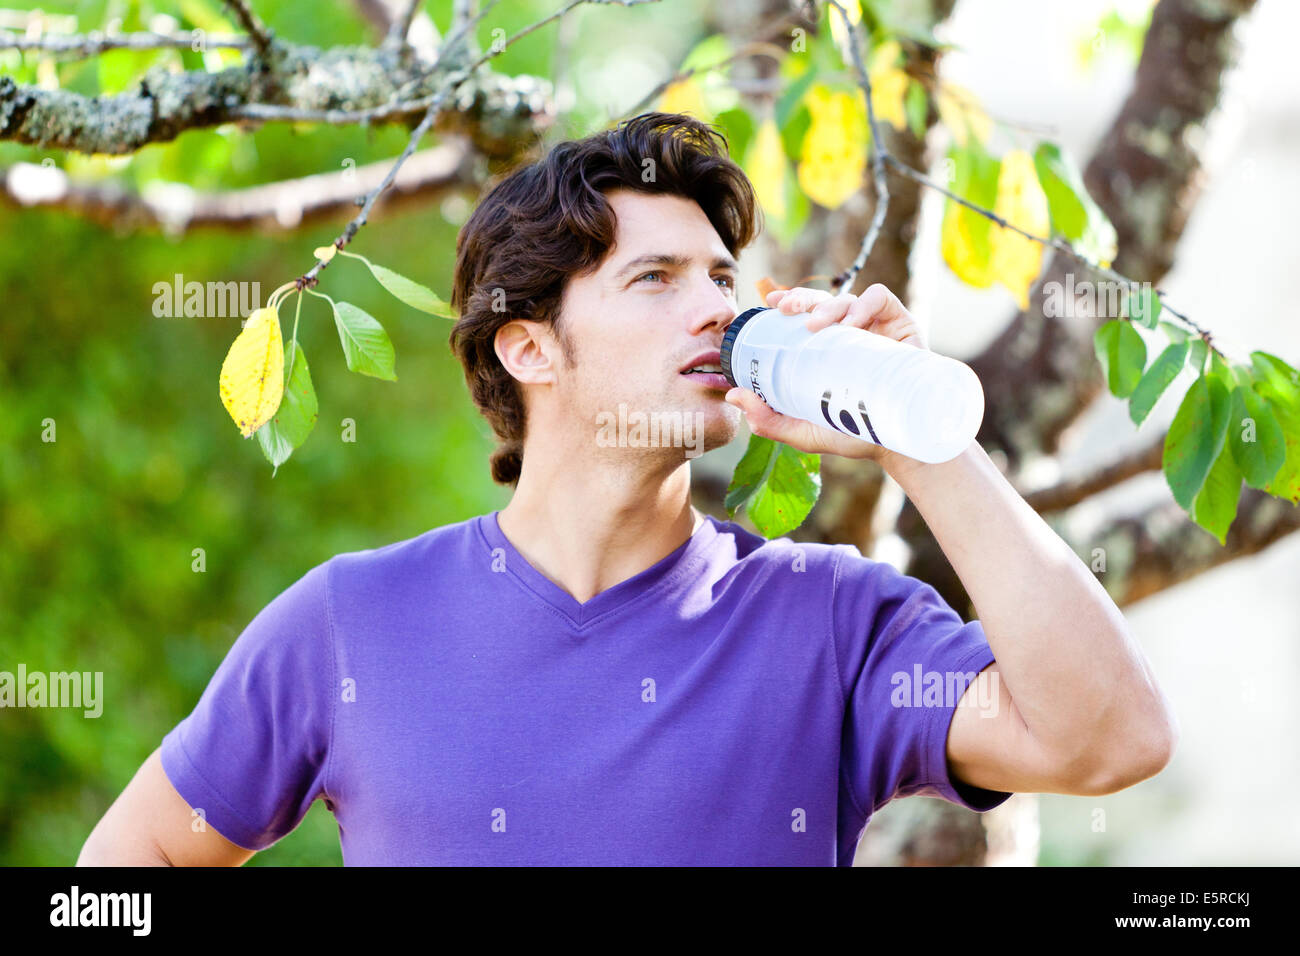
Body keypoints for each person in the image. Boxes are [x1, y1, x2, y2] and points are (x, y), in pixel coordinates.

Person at [77, 112, 1177, 866]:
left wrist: (916, 430)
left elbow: (1107, 736)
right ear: (529, 350)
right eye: (653, 279)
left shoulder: (832, 620)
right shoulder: (350, 623)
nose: (714, 309)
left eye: (720, 279)